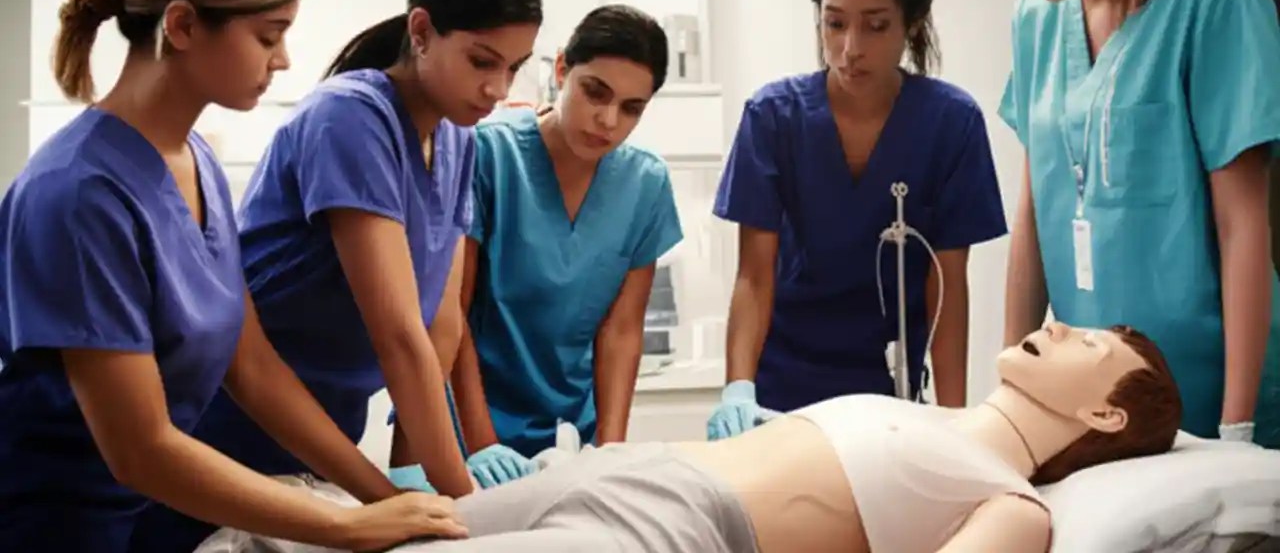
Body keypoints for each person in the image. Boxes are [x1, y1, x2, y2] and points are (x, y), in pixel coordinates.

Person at [0, 0, 465, 553]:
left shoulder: (198, 165)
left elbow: (252, 367)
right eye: (268, 36)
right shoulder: (76, 193)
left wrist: (384, 499)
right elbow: (139, 448)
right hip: (61, 528)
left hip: (161, 520)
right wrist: (346, 524)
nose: (282, 60)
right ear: (184, 26)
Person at [132, 0, 542, 550]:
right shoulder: (352, 116)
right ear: (422, 31)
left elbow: (440, 323)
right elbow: (397, 333)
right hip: (225, 430)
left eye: (514, 67)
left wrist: (427, 480)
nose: (497, 88)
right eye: (482, 61)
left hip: (323, 442)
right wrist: (460, 510)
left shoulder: (459, 142)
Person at [192, 322, 1183, 553]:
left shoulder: (1015, 506)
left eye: (1086, 342)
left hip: (681, 531)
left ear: (1103, 412)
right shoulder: (924, 411)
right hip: (623, 470)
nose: (1056, 323)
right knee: (324, 531)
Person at [970, 0, 1280, 447]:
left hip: (1214, 393)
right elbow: (1033, 214)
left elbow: (1243, 224)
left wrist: (1237, 428)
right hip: (1092, 412)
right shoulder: (1035, 17)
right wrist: (1013, 392)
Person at [708, 0, 1008, 438]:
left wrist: (955, 421)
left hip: (890, 382)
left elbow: (948, 283)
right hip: (782, 381)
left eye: (875, 25)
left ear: (912, 23)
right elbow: (754, 276)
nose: (850, 47)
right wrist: (739, 387)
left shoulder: (950, 121)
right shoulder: (773, 116)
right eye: (834, 24)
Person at [391, 4, 682, 486]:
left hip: (569, 436)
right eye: (595, 92)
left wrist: (608, 452)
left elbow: (620, 333)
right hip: (465, 428)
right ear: (563, 69)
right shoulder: (487, 154)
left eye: (632, 108)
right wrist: (481, 443)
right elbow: (452, 316)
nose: (607, 120)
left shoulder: (645, 183)